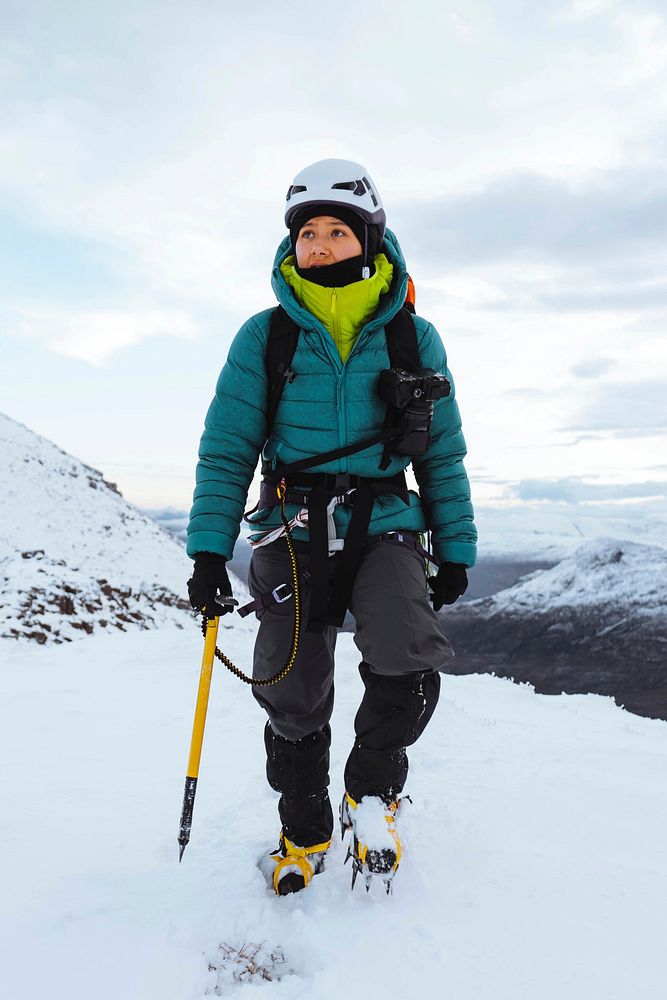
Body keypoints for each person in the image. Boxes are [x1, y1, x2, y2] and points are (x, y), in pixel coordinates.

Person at [186, 158, 477, 895]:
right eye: (306, 232)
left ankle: (371, 791)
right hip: (290, 524)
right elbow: (227, 449)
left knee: (407, 655)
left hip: (387, 522)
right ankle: (304, 821)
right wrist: (207, 553)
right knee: (291, 682)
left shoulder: (414, 337)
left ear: (369, 239)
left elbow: (441, 451)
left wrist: (456, 547)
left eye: (334, 231)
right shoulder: (267, 337)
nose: (316, 244)